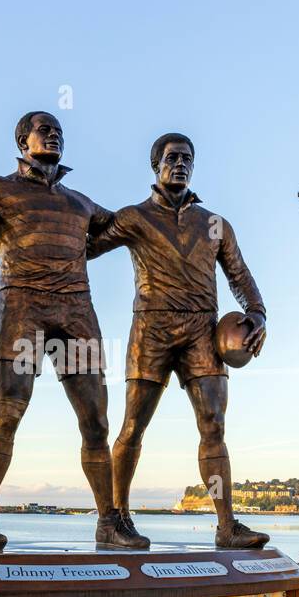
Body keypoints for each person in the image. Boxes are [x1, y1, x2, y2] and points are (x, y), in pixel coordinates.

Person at [0, 113, 145, 550]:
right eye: (45, 129)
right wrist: (1, 256)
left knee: (96, 421)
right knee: (9, 410)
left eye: (59, 130)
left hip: (77, 314)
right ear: (22, 141)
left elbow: (129, 227)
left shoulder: (80, 203)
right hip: (22, 311)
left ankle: (109, 522)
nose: (54, 134)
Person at [88, 133, 269, 549]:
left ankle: (226, 526)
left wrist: (258, 313)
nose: (180, 164)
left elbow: (240, 276)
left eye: (188, 158)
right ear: (156, 165)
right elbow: (86, 248)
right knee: (134, 424)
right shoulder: (134, 218)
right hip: (150, 329)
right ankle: (113, 521)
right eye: (172, 157)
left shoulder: (215, 224)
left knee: (214, 425)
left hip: (202, 331)